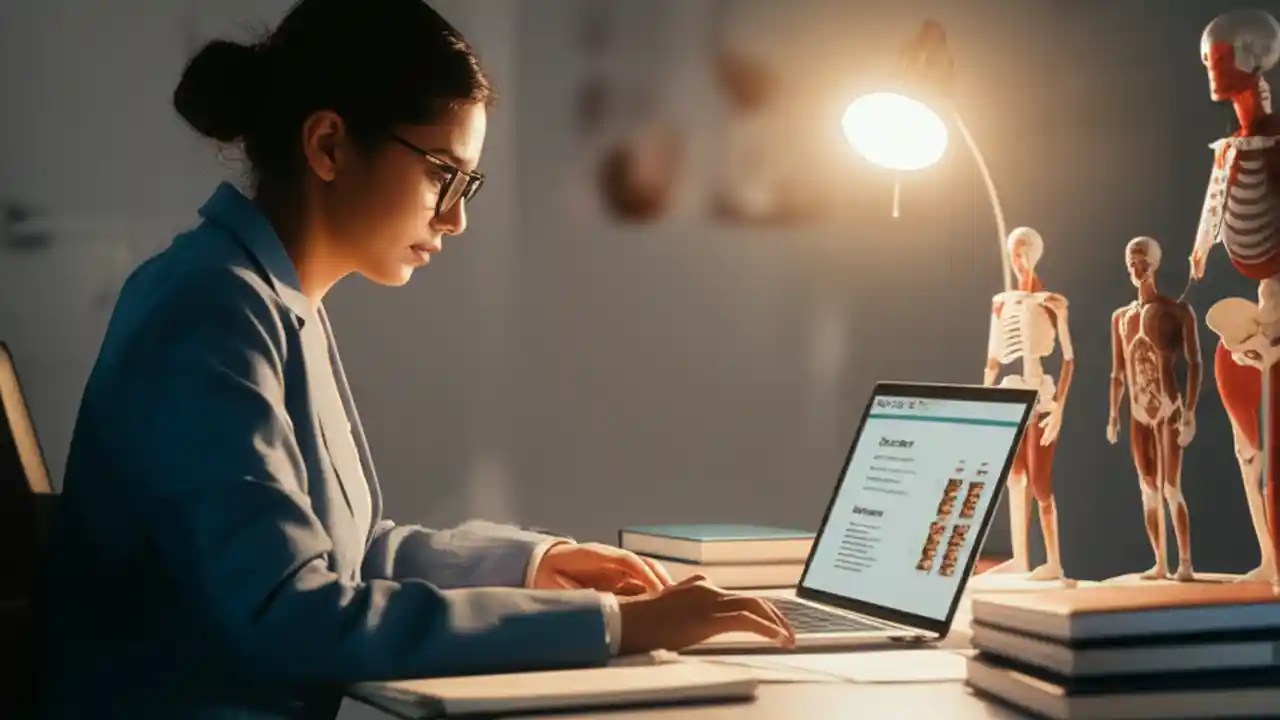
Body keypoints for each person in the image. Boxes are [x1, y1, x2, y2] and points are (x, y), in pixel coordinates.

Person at [39, 1, 793, 717]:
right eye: (442, 173)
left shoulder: (271, 298)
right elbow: (286, 612)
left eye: (468, 184)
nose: (456, 218)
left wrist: (534, 566)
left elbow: (349, 554)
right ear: (328, 145)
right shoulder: (209, 308)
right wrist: (617, 625)